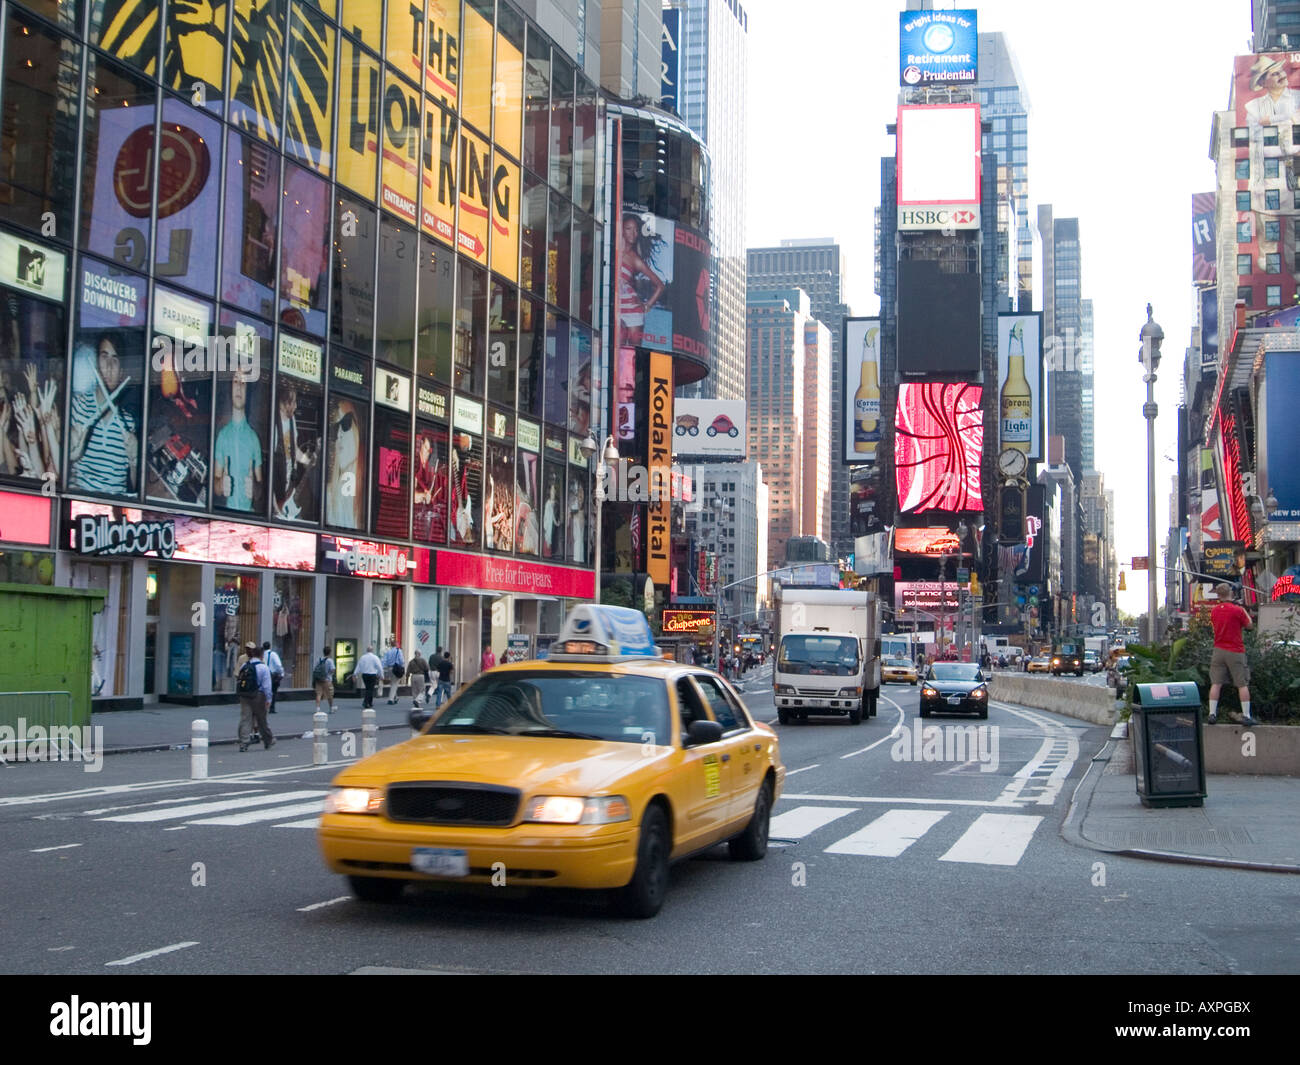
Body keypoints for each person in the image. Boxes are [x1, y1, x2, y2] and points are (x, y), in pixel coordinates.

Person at [68, 333, 138, 494]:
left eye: (115, 359)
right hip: (82, 500)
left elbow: (133, 488)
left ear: (121, 374)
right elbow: (53, 472)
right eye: (104, 356)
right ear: (96, 365)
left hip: (114, 508)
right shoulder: (78, 406)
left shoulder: (128, 423)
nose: (109, 366)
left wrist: (134, 462)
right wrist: (70, 458)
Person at [1208, 585, 1258, 726]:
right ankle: (1246, 716)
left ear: (1218, 595)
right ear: (1231, 592)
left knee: (1216, 683)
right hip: (1235, 650)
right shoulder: (1238, 610)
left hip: (1218, 650)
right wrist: (1243, 609)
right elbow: (1249, 626)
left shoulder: (1215, 611)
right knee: (1242, 684)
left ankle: (1212, 714)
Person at [214, 374, 263, 512]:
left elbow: (260, 492)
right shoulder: (223, 436)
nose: (239, 387)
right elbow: (216, 483)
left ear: (248, 391)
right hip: (227, 516)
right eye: (235, 381)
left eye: (243, 383)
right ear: (230, 387)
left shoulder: (254, 439)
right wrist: (221, 486)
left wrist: (254, 487)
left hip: (248, 517)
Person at [617, 214, 666, 348]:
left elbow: (660, 286)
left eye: (636, 229)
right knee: (614, 349)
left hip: (632, 311)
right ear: (621, 229)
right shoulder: (612, 249)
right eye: (628, 229)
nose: (634, 233)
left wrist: (646, 305)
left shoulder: (635, 259)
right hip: (615, 307)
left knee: (631, 352)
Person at [235, 641, 275, 752]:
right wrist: (269, 699)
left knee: (245, 718)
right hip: (258, 696)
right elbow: (267, 686)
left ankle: (243, 742)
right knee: (261, 719)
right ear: (261, 655)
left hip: (244, 695)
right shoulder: (263, 668)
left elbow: (239, 678)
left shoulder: (245, 665)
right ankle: (268, 740)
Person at [353, 644, 382, 709]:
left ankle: (370, 702)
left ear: (367, 650)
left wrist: (355, 674)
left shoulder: (363, 657)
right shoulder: (375, 657)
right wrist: (381, 675)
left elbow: (359, 666)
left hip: (365, 675)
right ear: (372, 650)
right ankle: (366, 702)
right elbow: (379, 667)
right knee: (370, 689)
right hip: (372, 675)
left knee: (368, 688)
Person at [381, 636, 405, 705]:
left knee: (393, 683)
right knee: (394, 684)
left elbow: (384, 661)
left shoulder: (388, 652)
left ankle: (395, 697)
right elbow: (402, 661)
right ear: (396, 644)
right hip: (396, 669)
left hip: (389, 669)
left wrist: (382, 668)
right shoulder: (399, 651)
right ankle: (390, 699)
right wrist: (403, 667)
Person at [312, 645, 335, 714]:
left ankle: (317, 708)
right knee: (330, 695)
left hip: (318, 679)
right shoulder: (330, 661)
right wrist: (329, 674)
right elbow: (333, 670)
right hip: (327, 680)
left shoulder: (318, 659)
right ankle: (331, 708)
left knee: (318, 694)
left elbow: (314, 669)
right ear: (330, 652)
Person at [262, 640, 284, 712]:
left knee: (263, 691)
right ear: (270, 647)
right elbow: (278, 665)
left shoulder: (261, 654)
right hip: (272, 675)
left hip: (263, 674)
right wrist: (281, 673)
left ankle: (263, 706)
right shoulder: (273, 654)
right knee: (273, 692)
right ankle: (271, 707)